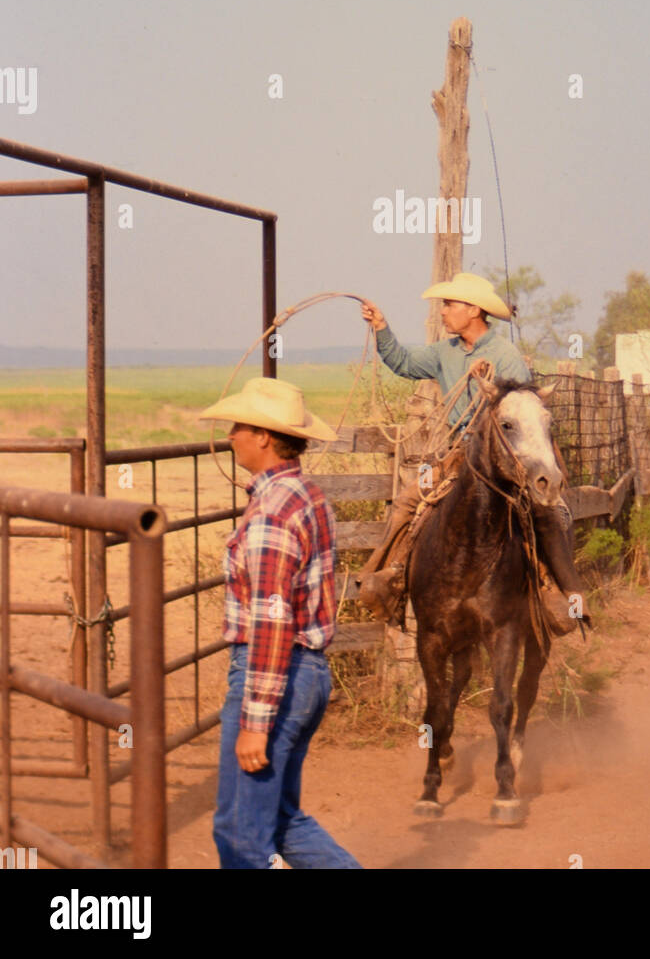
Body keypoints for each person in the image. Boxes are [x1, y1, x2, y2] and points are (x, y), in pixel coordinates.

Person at [357, 271, 586, 635]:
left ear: (474, 310)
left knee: (544, 516)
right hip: (457, 458)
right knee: (409, 498)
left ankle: (560, 593)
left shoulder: (505, 356)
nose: (443, 311)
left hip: (504, 461)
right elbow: (401, 361)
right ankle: (391, 579)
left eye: (450, 304)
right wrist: (382, 328)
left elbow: (523, 415)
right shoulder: (442, 353)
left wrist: (490, 392)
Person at [199, 376, 362, 870]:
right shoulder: (307, 494)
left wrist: (255, 720)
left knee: (240, 832)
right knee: (280, 819)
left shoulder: (271, 512)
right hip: (307, 673)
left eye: (238, 427)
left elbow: (271, 620)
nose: (230, 435)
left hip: (272, 672)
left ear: (264, 437)